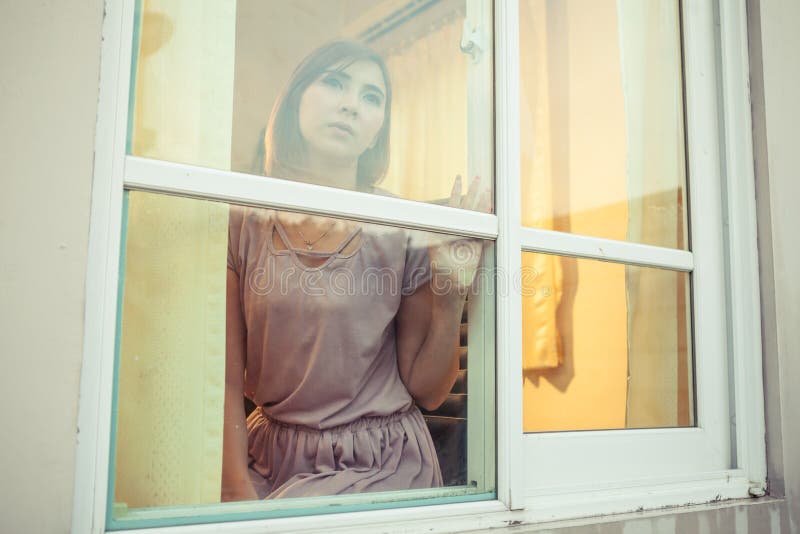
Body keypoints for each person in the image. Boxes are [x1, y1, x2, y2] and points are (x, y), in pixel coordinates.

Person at [222, 40, 487, 501]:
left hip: (378, 461)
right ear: (295, 101)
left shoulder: (398, 228)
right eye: (335, 83)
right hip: (268, 455)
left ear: (375, 132)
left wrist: (449, 299)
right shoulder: (242, 219)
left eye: (371, 97)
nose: (350, 105)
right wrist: (234, 487)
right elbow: (223, 377)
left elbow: (427, 391)